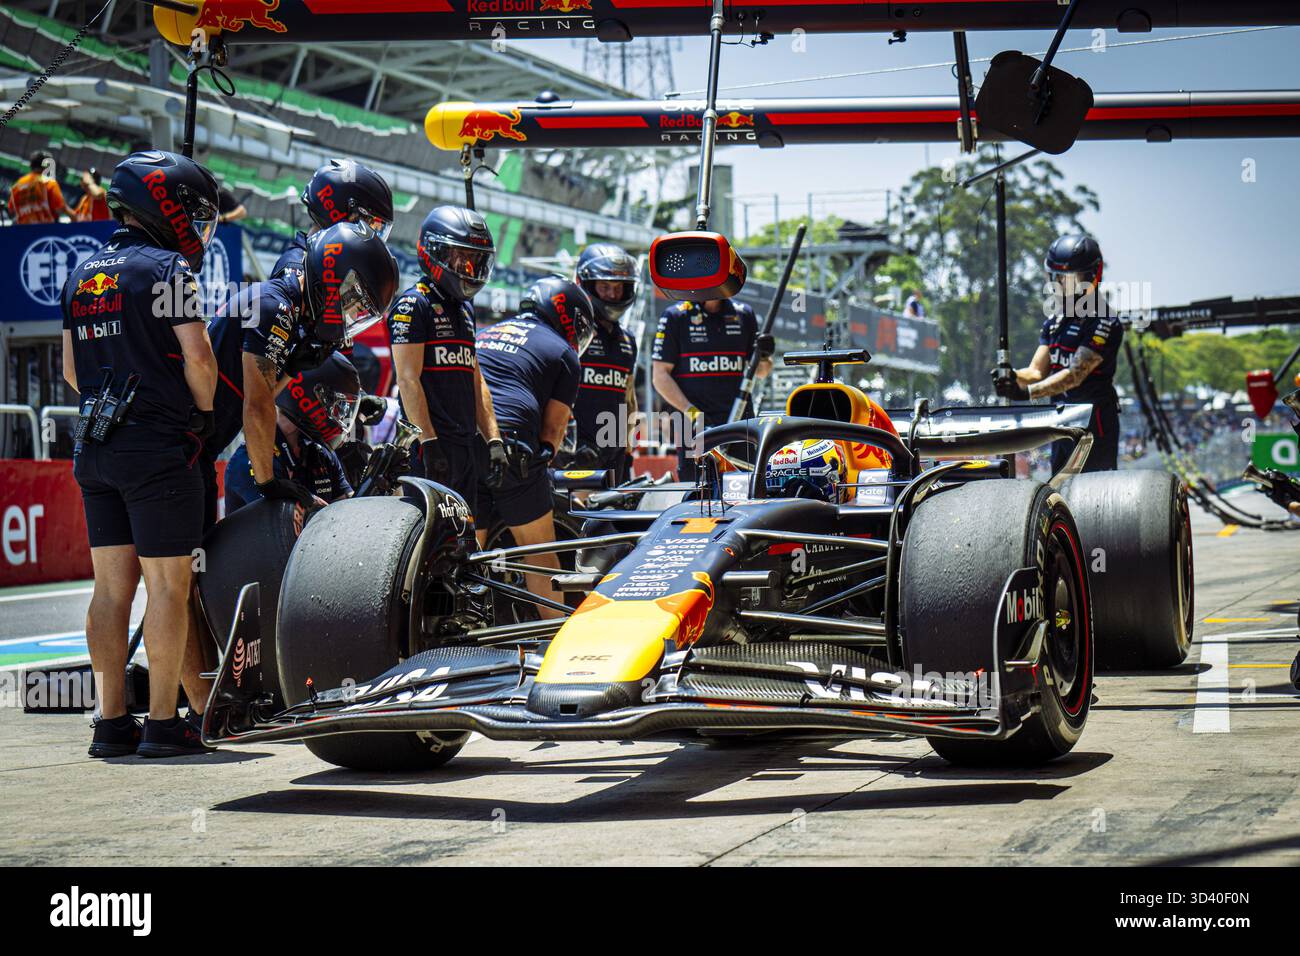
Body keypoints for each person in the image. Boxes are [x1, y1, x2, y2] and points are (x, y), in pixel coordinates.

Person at [60, 149, 220, 758]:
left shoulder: (79, 275)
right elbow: (200, 358)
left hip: (95, 447)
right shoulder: (171, 270)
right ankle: (162, 724)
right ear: (163, 206)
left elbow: (72, 372)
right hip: (158, 449)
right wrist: (201, 412)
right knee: (168, 587)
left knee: (109, 591)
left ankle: (110, 722)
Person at [205, 221, 399, 525]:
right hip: (182, 448)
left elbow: (259, 391)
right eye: (354, 300)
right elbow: (256, 405)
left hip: (192, 447)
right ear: (336, 278)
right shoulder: (276, 307)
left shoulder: (288, 305)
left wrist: (293, 366)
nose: (351, 313)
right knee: (180, 569)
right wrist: (270, 483)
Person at [475, 277, 594, 617]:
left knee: (467, 552)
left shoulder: (486, 332)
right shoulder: (563, 351)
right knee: (539, 552)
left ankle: (452, 642)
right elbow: (554, 429)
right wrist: (541, 460)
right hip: (512, 444)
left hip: (465, 437)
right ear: (568, 316)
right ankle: (550, 640)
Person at [387, 205, 505, 513]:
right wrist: (429, 443)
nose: (470, 267)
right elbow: (407, 379)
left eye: (477, 260)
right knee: (427, 539)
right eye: (463, 257)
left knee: (462, 541)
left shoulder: (465, 309)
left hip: (465, 446)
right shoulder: (414, 304)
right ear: (436, 252)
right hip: (432, 447)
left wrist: (494, 441)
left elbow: (474, 377)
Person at [993, 234, 1123, 474]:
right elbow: (1036, 371)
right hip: (1061, 422)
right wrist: (1012, 378)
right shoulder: (1054, 322)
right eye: (1056, 277)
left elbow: (1074, 375)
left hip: (1094, 426)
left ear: (1092, 276)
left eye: (1069, 279)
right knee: (1060, 494)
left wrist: (1026, 393)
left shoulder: (1104, 320)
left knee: (1093, 495)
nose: (1061, 285)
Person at [651, 296, 774, 481]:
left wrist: (764, 355)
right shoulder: (676, 315)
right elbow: (659, 376)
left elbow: (762, 371)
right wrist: (693, 413)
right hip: (695, 422)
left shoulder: (743, 313)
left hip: (739, 422)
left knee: (744, 489)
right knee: (696, 492)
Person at [224, 352, 359, 512]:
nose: (341, 417)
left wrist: (373, 484)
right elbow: (280, 528)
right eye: (336, 406)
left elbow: (345, 517)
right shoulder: (250, 460)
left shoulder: (322, 454)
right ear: (310, 396)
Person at [571, 243, 639, 483]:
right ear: (587, 285)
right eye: (605, 287)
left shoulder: (628, 340)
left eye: (618, 288)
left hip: (615, 451)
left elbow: (628, 398)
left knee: (612, 520)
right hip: (576, 450)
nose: (612, 295)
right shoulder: (572, 330)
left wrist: (629, 447)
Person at [272, 159, 394, 280]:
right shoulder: (300, 270)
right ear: (349, 216)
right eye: (370, 226)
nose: (373, 239)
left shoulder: (320, 264)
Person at [8, 151, 71, 224]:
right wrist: (73, 216)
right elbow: (60, 208)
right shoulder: (49, 182)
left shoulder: (18, 184)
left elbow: (11, 210)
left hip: (23, 231)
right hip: (45, 230)